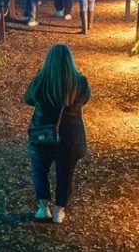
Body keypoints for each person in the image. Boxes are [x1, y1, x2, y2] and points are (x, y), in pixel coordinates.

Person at [25, 44, 91, 224]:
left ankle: (43, 208)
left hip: (42, 133)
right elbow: (85, 99)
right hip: (70, 136)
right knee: (65, 175)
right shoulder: (80, 82)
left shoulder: (41, 79)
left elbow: (28, 99)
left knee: (39, 169)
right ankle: (58, 211)